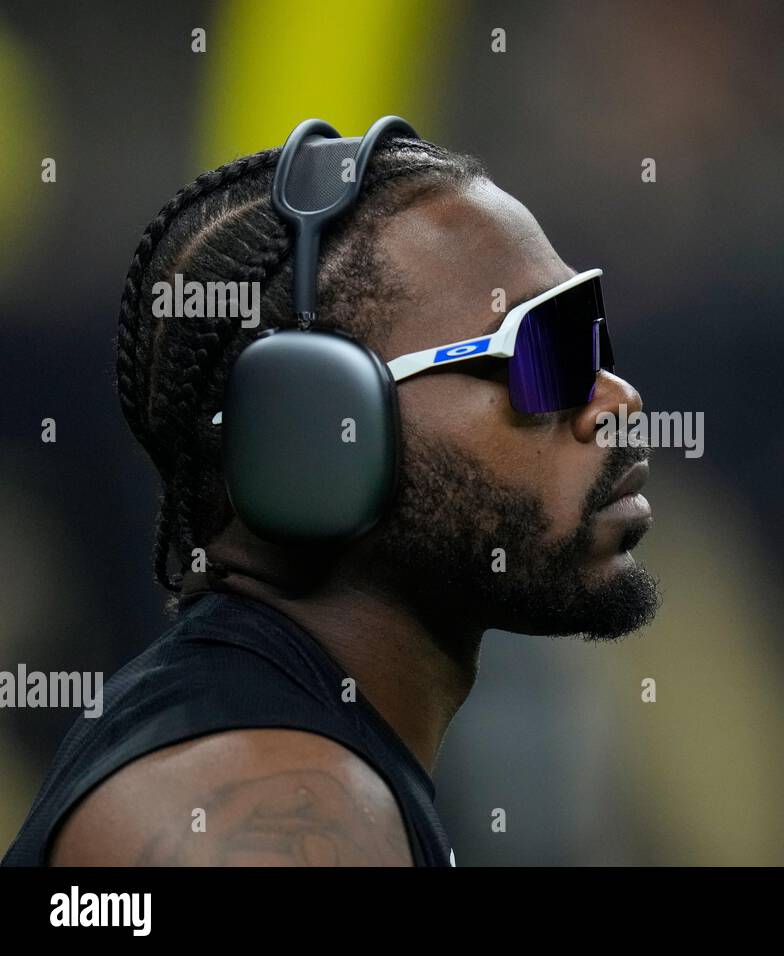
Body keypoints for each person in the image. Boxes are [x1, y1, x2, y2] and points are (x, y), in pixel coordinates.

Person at [2, 132, 660, 866]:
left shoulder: (277, 746)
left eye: (589, 333)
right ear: (317, 433)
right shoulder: (265, 819)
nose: (617, 400)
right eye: (545, 349)